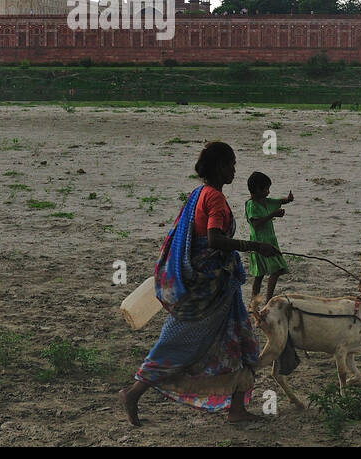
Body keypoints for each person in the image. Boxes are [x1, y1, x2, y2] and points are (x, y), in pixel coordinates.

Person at [120, 141, 280, 425]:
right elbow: (214, 240)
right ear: (219, 166)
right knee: (179, 344)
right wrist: (255, 246)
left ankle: (236, 409)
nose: (234, 169)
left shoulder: (199, 194)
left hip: (218, 290)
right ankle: (134, 391)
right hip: (210, 291)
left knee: (239, 343)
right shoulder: (214, 198)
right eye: (231, 163)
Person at [244, 171, 294, 308]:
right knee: (269, 272)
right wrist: (273, 214)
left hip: (270, 241)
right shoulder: (251, 205)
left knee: (265, 273)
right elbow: (255, 223)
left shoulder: (265, 201)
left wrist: (288, 200)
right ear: (257, 190)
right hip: (260, 244)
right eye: (266, 189)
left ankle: (259, 303)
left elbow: (278, 201)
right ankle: (263, 303)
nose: (268, 192)